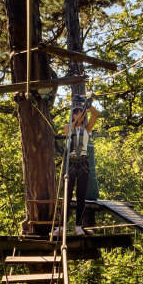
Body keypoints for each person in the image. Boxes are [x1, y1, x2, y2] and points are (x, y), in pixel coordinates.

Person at [62, 95, 99, 236]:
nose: (79, 115)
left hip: (83, 162)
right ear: (73, 115)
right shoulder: (68, 128)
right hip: (71, 163)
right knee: (67, 195)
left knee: (81, 195)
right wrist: (81, 112)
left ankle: (78, 225)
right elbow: (72, 126)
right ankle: (63, 225)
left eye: (80, 112)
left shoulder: (87, 129)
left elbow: (96, 114)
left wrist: (89, 106)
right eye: (76, 113)